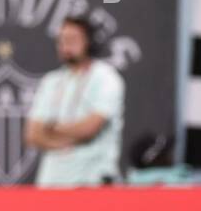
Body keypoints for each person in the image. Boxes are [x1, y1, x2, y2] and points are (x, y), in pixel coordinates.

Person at [24, 16, 125, 187]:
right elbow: (33, 135)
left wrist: (52, 128)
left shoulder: (106, 78)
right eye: (61, 40)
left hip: (91, 182)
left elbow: (90, 128)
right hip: (52, 183)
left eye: (72, 39)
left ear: (89, 42)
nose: (65, 46)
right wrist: (65, 140)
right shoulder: (51, 81)